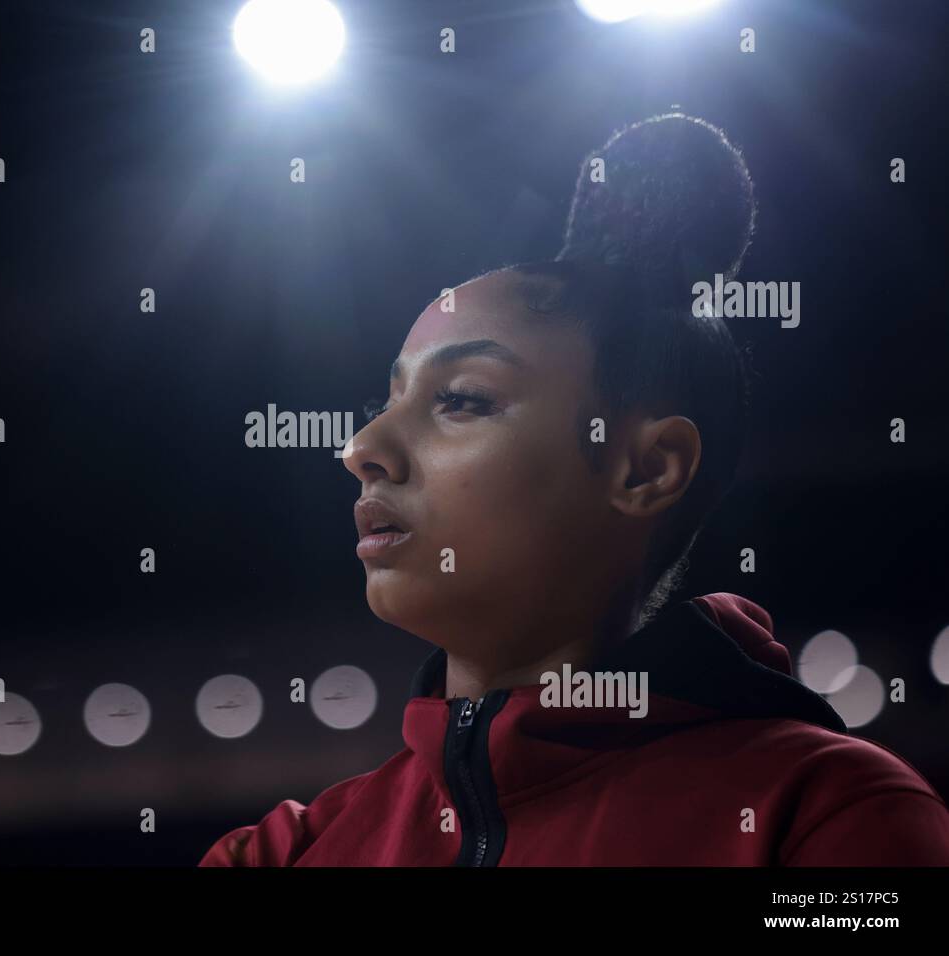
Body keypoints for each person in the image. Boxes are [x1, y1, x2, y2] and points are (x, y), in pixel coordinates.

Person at [199, 113, 949, 866]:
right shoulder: (287, 852)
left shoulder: (830, 815)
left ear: (646, 469)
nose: (362, 449)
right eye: (387, 404)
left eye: (460, 399)